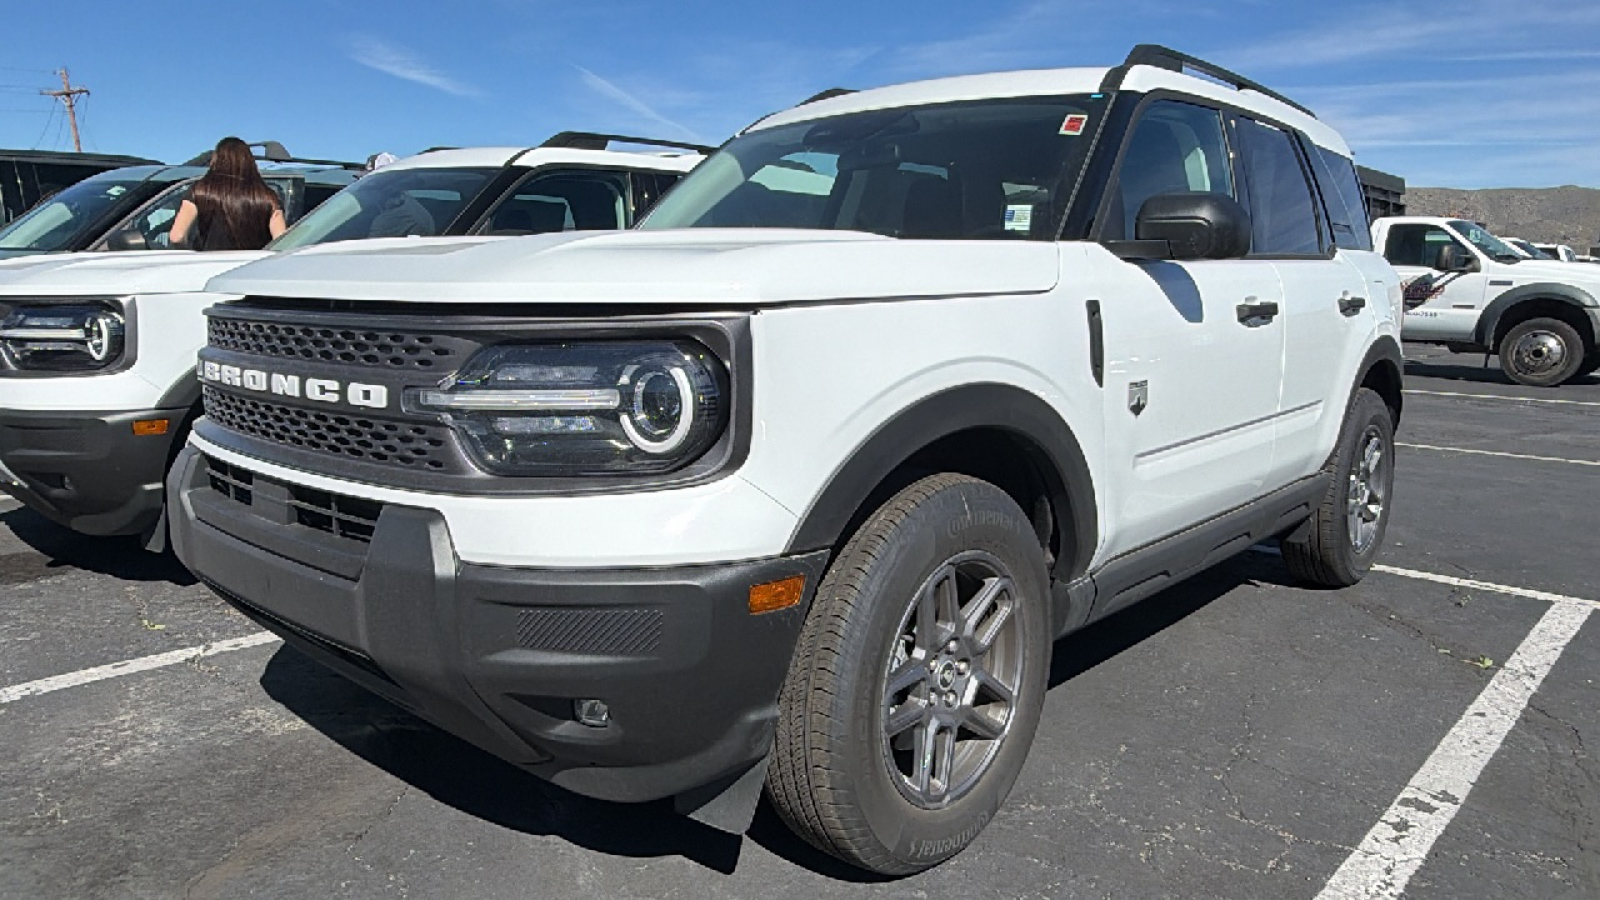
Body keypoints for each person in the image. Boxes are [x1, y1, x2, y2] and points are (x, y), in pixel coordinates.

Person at [169, 137, 286, 250]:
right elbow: (282, 242)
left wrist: (190, 253)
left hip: (210, 264)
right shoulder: (267, 196)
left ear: (216, 159)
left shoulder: (200, 190)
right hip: (253, 265)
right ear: (249, 161)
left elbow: (177, 237)